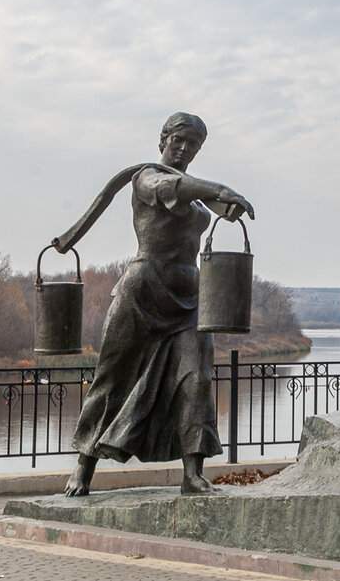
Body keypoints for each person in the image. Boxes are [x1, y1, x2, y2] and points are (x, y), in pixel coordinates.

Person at [63, 112, 254, 496]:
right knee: (113, 376)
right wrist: (220, 189)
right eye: (178, 140)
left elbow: (204, 200)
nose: (183, 148)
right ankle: (83, 468)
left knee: (196, 378)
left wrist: (226, 206)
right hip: (143, 291)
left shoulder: (195, 192)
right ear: (163, 140)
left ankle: (192, 474)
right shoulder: (146, 177)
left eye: (192, 144)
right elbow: (174, 188)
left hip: (190, 298)